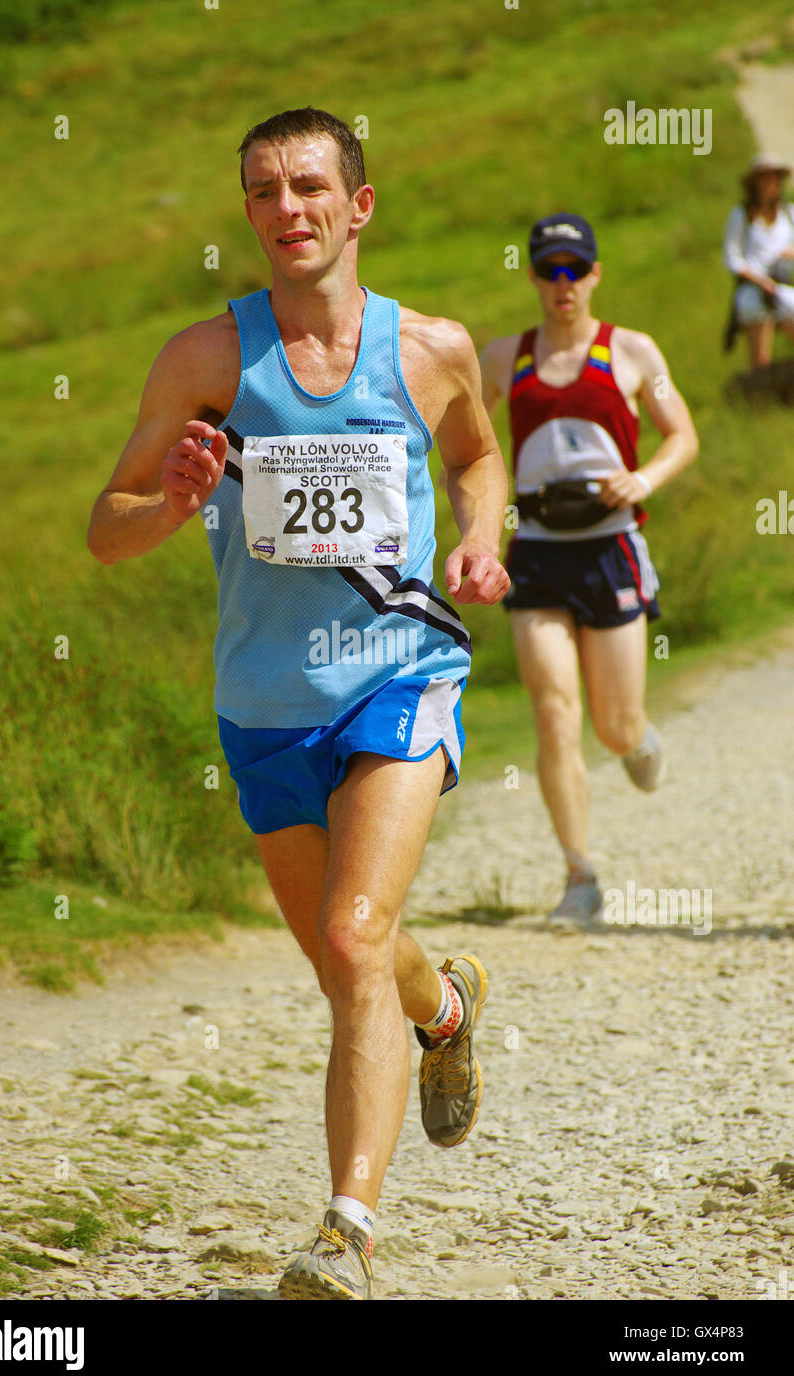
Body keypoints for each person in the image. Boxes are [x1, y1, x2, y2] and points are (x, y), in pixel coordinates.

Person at [87, 107, 510, 1300]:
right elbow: (104, 531)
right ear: (250, 215)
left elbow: (478, 457)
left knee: (349, 935)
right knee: (355, 961)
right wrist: (171, 501)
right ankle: (447, 1008)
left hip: (400, 673)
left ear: (358, 205)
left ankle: (346, 1232)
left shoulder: (429, 349)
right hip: (265, 703)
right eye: (264, 191)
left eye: (310, 185)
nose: (288, 209)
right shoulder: (204, 361)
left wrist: (480, 539)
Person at [480, 213, 698, 927]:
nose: (562, 283)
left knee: (611, 723)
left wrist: (643, 480)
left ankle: (637, 738)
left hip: (611, 549)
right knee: (552, 712)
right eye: (550, 270)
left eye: (575, 268)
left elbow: (681, 436)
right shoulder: (502, 356)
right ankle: (579, 878)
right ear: (534, 277)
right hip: (538, 550)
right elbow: (465, 439)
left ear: (595, 273)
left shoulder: (632, 350)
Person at [723, 153, 794, 368]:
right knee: (761, 360)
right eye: (764, 178)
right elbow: (732, 258)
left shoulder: (788, 213)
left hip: (781, 284)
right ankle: (761, 390)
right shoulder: (742, 215)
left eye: (773, 178)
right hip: (754, 288)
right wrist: (759, 281)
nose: (769, 183)